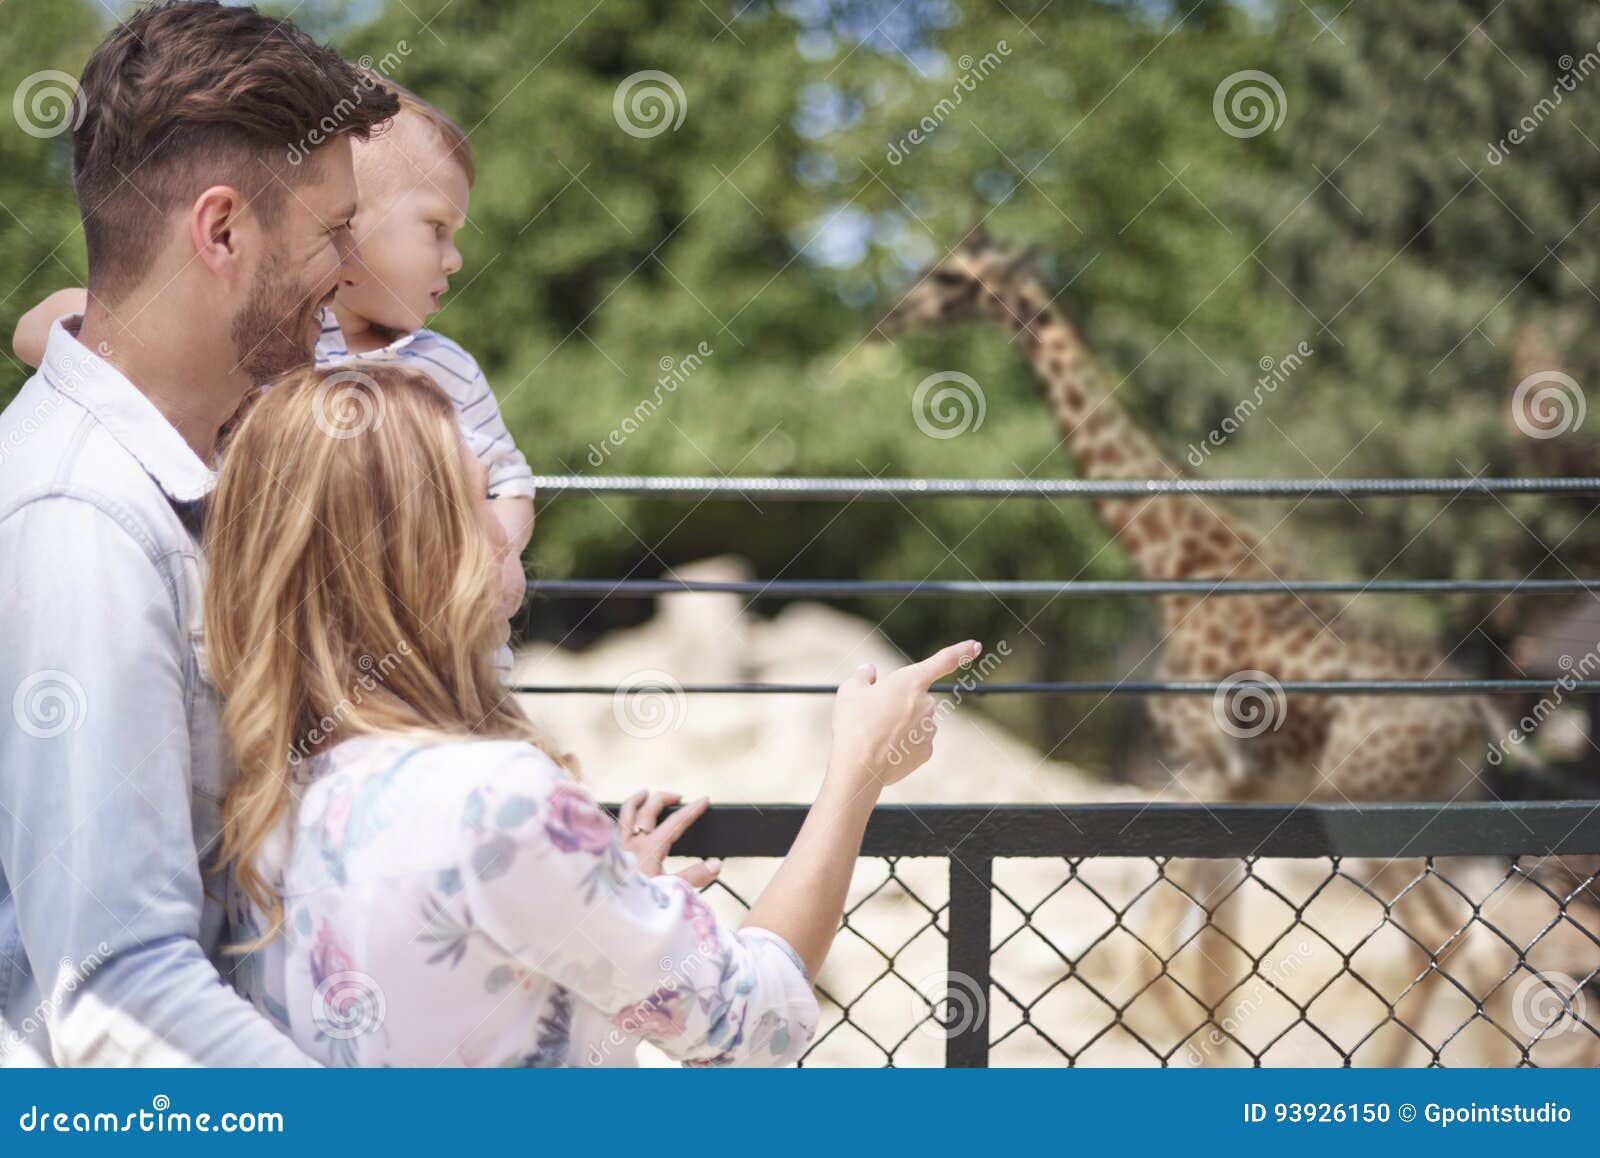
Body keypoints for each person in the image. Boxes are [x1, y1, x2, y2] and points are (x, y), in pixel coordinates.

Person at [202, 362, 983, 1067]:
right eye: (479, 496)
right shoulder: (498, 796)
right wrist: (859, 768)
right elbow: (758, 1021)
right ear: (419, 546)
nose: (509, 524)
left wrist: (599, 900)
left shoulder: (264, 791)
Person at [0, 1, 398, 1065]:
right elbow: (116, 992)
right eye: (333, 231)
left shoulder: (185, 482)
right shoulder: (83, 520)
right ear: (220, 231)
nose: (354, 270)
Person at [12, 79, 534, 677]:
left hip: (433, 657)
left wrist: (486, 559)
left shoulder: (444, 367)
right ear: (348, 226)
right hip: (302, 656)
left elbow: (510, 485)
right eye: (436, 228)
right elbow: (34, 328)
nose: (454, 257)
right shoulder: (271, 349)